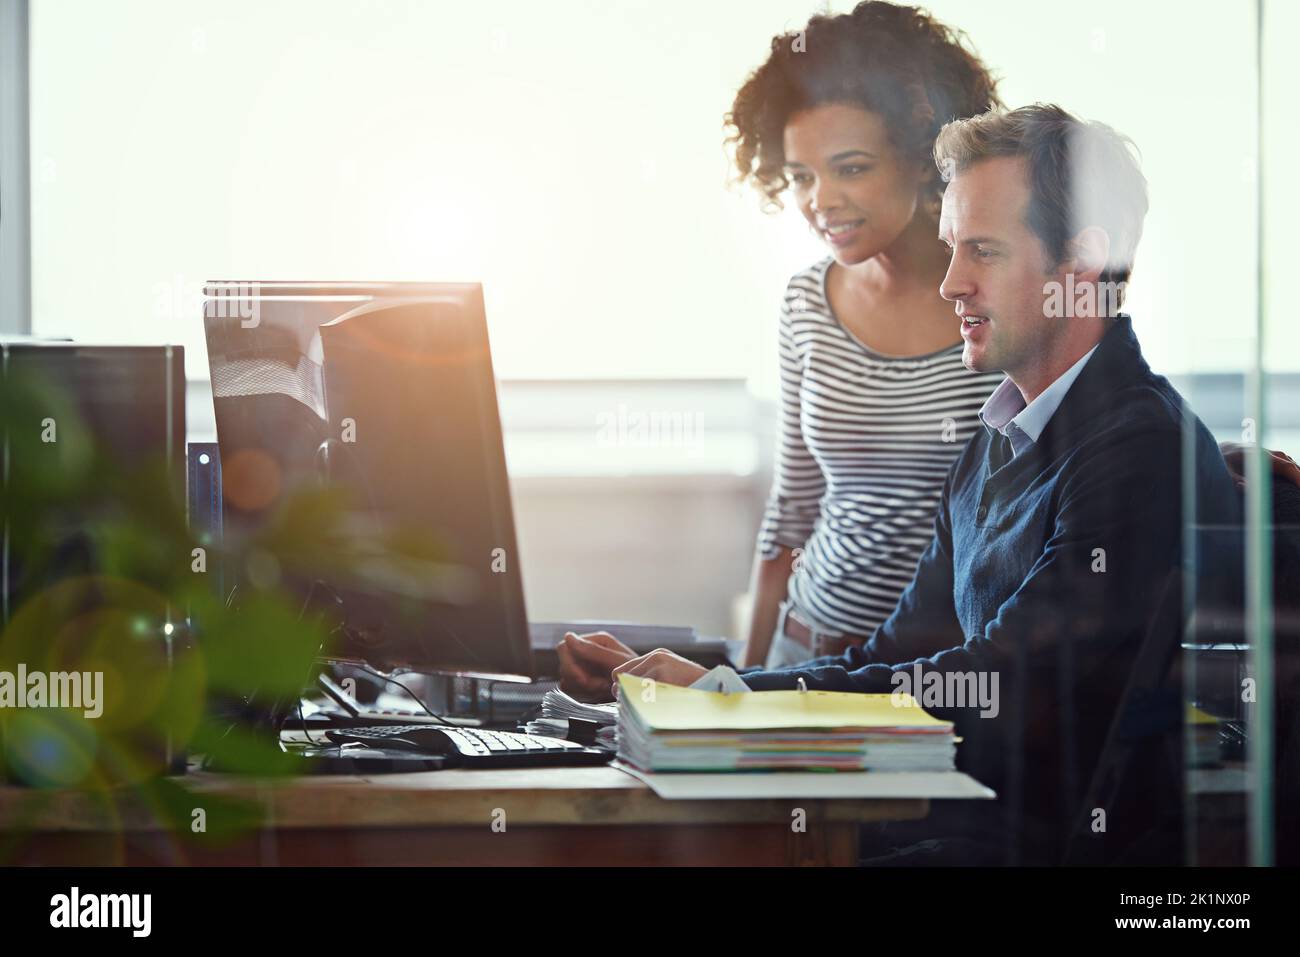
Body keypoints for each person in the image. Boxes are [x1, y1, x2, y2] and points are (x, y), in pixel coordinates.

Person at [587, 104, 1246, 864]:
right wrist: (724, 685)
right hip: (942, 822)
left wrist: (738, 701)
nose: (952, 284)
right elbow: (899, 645)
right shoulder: (999, 436)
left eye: (984, 252)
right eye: (951, 249)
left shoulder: (1140, 448)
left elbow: (994, 685)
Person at [556, 3, 1006, 694]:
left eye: (850, 167)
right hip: (805, 649)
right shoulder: (806, 301)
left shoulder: (995, 297)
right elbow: (792, 510)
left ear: (924, 160)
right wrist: (741, 680)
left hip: (932, 675)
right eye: (800, 176)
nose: (821, 200)